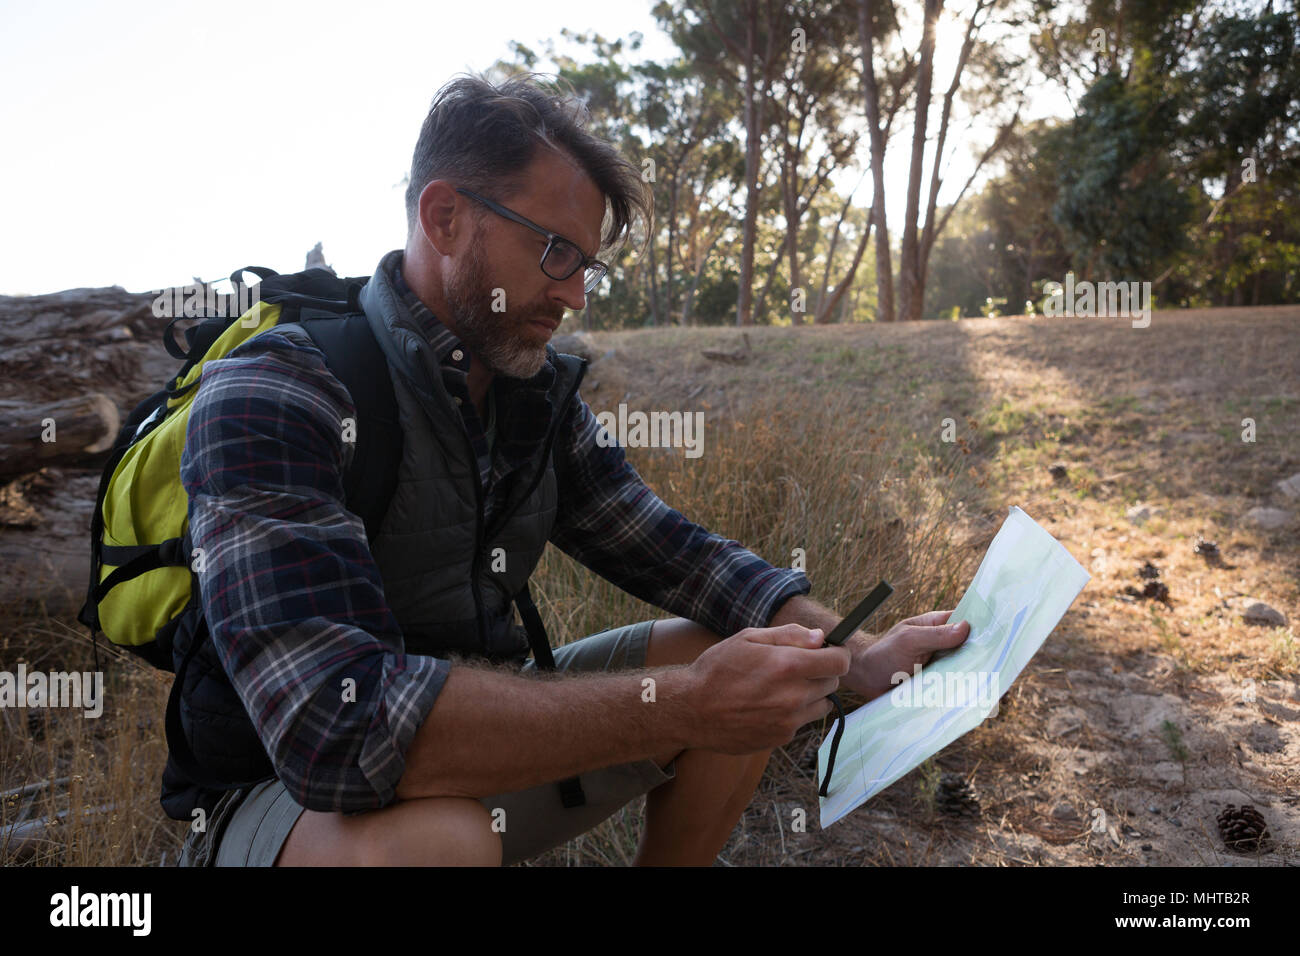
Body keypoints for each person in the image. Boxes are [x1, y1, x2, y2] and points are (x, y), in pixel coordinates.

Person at [172, 72, 969, 867]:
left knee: (751, 653)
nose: (577, 296)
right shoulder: (278, 390)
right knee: (436, 847)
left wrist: (853, 649)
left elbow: (677, 554)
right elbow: (333, 730)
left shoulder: (531, 398)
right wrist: (683, 708)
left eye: (587, 263)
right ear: (444, 217)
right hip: (280, 798)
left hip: (470, 759)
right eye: (554, 251)